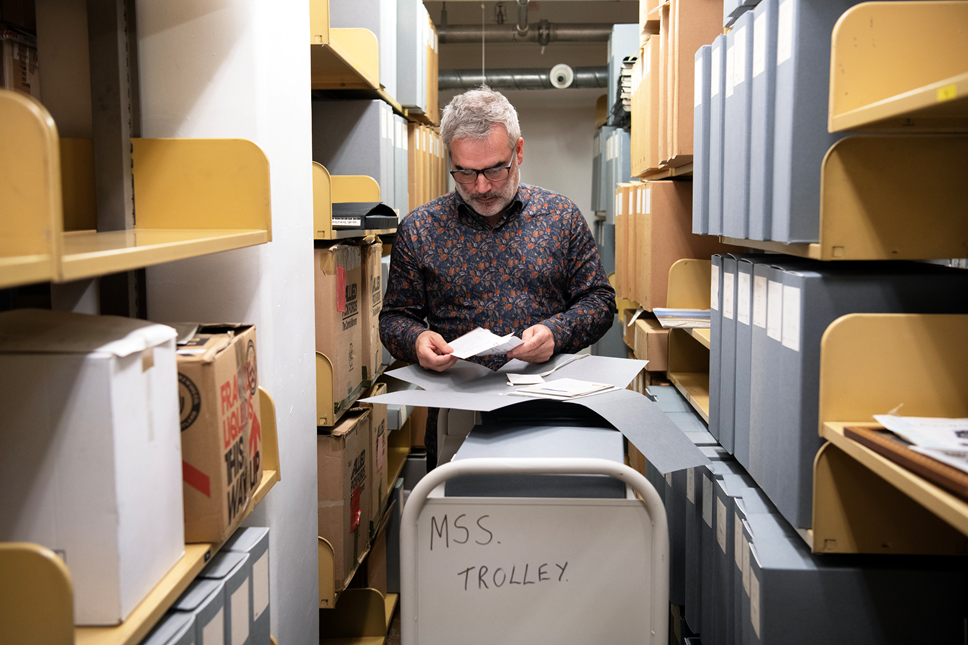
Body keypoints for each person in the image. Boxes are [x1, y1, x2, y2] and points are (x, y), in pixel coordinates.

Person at [379, 86, 616, 467]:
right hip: (456, 413)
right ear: (450, 160)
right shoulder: (420, 229)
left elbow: (600, 302)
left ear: (518, 151)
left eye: (494, 169)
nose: (482, 187)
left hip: (548, 407)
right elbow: (394, 318)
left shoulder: (561, 217)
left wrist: (557, 333)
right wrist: (417, 339)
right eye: (466, 173)